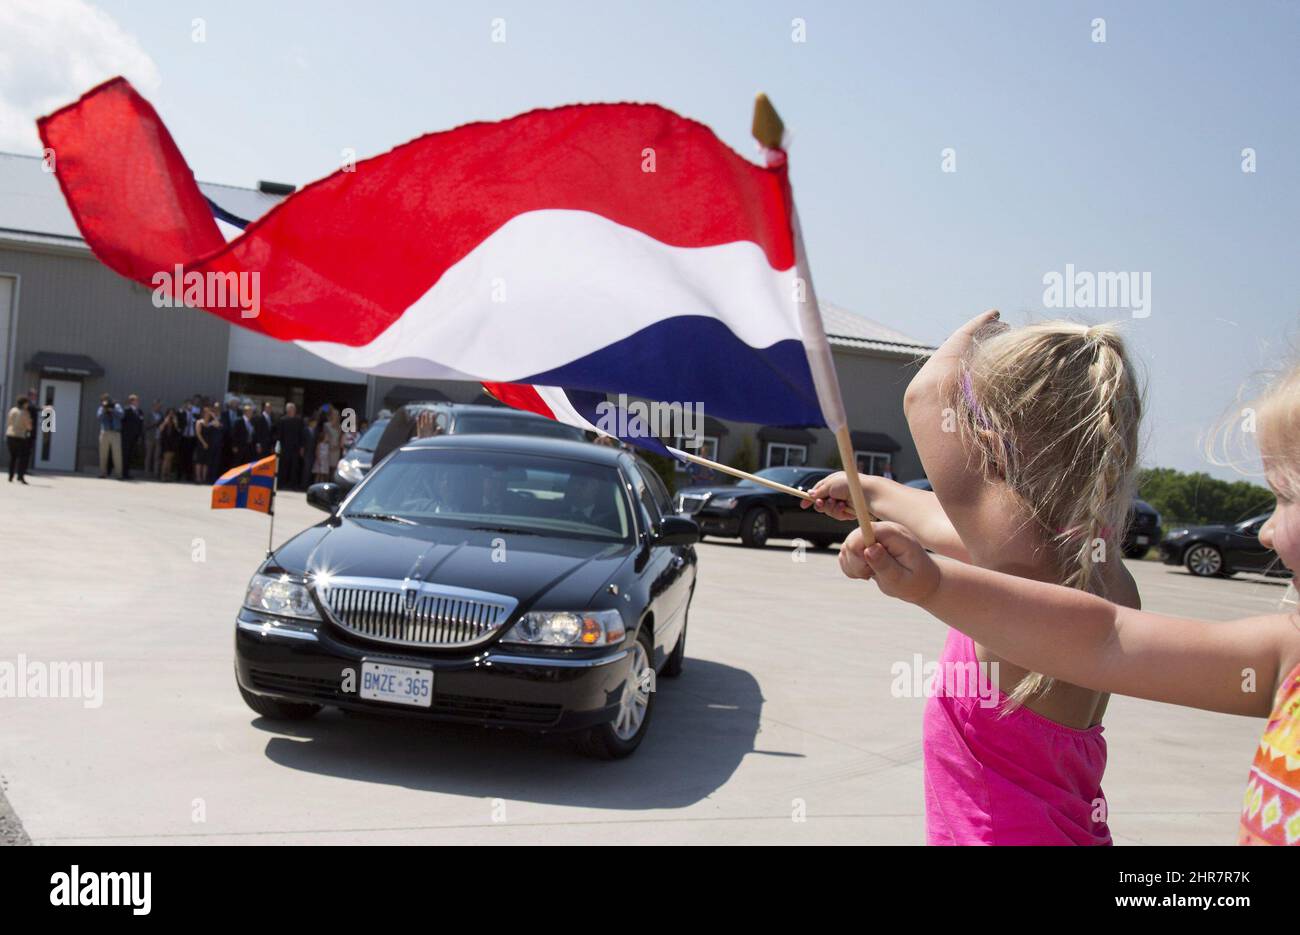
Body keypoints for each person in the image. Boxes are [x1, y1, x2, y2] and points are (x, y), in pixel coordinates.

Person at [840, 359, 1300, 846]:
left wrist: (926, 578)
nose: (1266, 532)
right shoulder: (1100, 571)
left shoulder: (1022, 558)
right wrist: (875, 499)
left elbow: (926, 396)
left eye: (1285, 496)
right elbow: (1101, 637)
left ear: (997, 446)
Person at [804, 311, 1143, 845]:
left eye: (983, 418)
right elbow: (947, 521)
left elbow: (926, 395)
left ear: (1007, 435)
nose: (972, 432)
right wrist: (867, 488)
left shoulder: (1020, 556)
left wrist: (976, 329)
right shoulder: (1090, 562)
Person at [276, 402, 306, 490]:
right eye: (290, 409)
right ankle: (281, 484)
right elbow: (279, 434)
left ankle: (293, 485)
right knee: (284, 466)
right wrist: (279, 446)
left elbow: (301, 434)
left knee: (294, 467)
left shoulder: (299, 420)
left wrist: (302, 447)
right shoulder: (282, 420)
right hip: (285, 447)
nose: (292, 410)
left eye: (293, 409)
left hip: (296, 447)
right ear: (287, 410)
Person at [97, 394, 125, 479]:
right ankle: (102, 473)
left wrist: (112, 410)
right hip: (104, 432)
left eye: (106, 400)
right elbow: (99, 417)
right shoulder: (101, 408)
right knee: (103, 454)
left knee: (117, 455)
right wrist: (105, 410)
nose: (105, 402)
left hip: (115, 433)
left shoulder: (117, 406)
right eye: (103, 400)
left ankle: (119, 474)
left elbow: (122, 415)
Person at [6, 394, 32, 483]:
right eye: (27, 403)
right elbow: (28, 426)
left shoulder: (12, 410)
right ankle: (20, 476)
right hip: (20, 436)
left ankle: (10, 476)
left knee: (12, 457)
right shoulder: (25, 413)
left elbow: (9, 422)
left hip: (10, 435)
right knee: (22, 457)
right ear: (24, 404)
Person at [120, 393, 143, 480]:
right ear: (131, 401)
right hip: (126, 437)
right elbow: (122, 422)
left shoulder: (139, 411)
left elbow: (140, 423)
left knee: (130, 455)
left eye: (138, 400)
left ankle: (127, 473)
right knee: (125, 455)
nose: (138, 402)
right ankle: (122, 473)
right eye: (136, 400)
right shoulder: (126, 410)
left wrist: (140, 435)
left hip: (135, 437)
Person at [159, 408, 181, 482]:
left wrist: (175, 423)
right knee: (165, 459)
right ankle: (163, 476)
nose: (171, 415)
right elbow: (160, 429)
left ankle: (168, 476)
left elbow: (178, 430)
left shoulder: (175, 421)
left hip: (172, 442)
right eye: (169, 413)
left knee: (170, 460)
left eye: (172, 413)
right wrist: (165, 422)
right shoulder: (164, 419)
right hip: (165, 441)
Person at [144, 400, 164, 477]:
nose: (158, 407)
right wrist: (154, 424)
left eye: (160, 406)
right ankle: (146, 472)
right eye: (157, 406)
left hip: (158, 437)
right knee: (148, 455)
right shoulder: (148, 414)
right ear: (153, 406)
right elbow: (145, 426)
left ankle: (156, 473)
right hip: (150, 437)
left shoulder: (161, 415)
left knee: (157, 456)